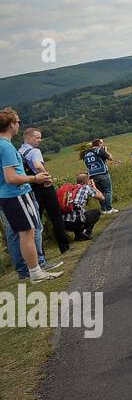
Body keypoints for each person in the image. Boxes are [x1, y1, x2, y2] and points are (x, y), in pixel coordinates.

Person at [0, 108, 62, 282]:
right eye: (18, 121)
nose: (19, 124)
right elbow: (11, 177)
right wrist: (35, 178)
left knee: (23, 232)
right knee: (27, 232)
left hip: (7, 195)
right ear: (11, 124)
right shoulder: (6, 147)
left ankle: (32, 270)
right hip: (16, 194)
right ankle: (35, 271)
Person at [18, 127, 71, 253]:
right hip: (44, 187)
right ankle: (64, 246)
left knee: (36, 220)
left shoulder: (19, 152)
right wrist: (47, 176)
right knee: (55, 216)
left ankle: (40, 252)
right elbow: (37, 165)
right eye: (37, 137)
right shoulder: (35, 151)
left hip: (30, 187)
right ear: (28, 138)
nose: (40, 140)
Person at [57, 173, 104, 240]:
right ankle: (86, 233)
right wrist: (94, 186)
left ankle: (78, 235)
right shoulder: (86, 187)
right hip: (76, 222)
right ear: (87, 181)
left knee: (79, 212)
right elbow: (102, 198)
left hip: (65, 224)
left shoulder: (71, 189)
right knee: (96, 212)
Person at [82, 138, 117, 213]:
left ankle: (103, 209)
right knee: (108, 191)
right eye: (102, 143)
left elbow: (86, 163)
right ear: (99, 144)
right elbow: (110, 158)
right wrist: (106, 151)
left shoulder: (87, 153)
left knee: (100, 192)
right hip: (102, 172)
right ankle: (109, 208)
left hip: (93, 175)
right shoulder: (99, 150)